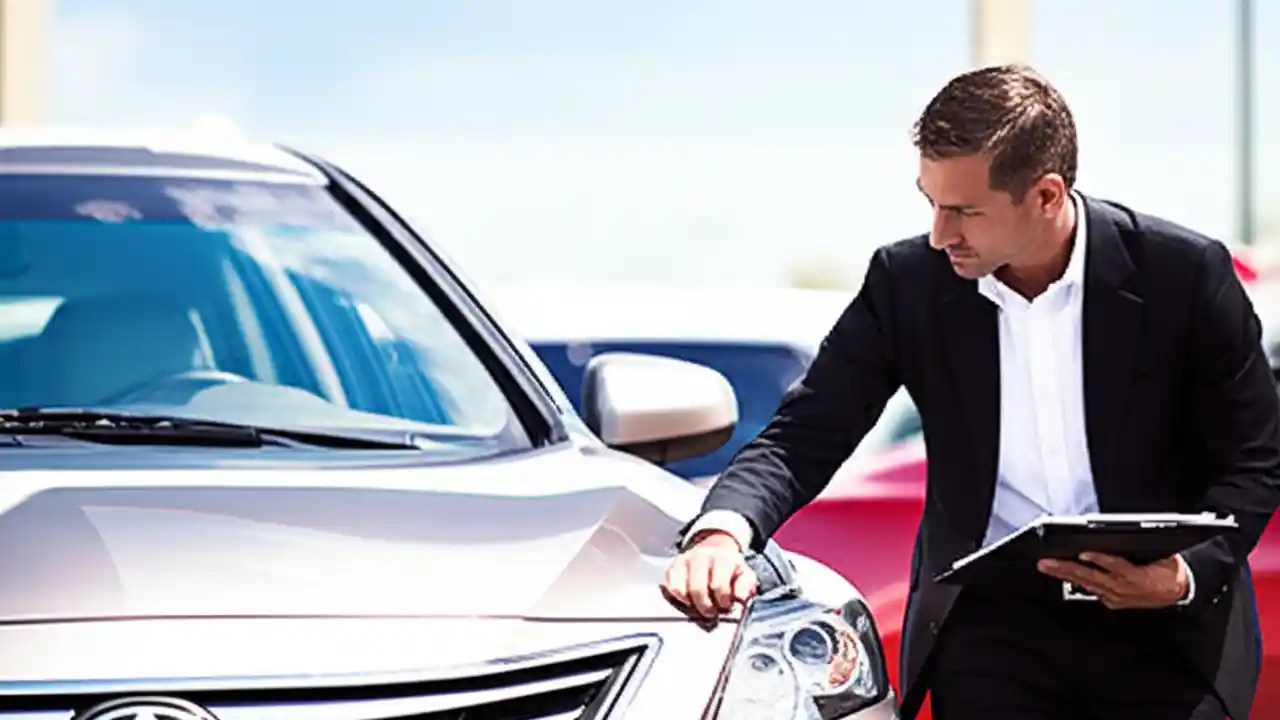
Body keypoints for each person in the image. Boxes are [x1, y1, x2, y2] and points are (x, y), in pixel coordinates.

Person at [660, 64, 1280, 720]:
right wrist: (724, 533)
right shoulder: (907, 283)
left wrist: (1181, 575)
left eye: (963, 211)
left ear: (1045, 196)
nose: (939, 233)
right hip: (993, 631)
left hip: (1165, 628)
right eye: (930, 202)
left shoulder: (1182, 275)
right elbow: (808, 430)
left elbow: (1255, 460)